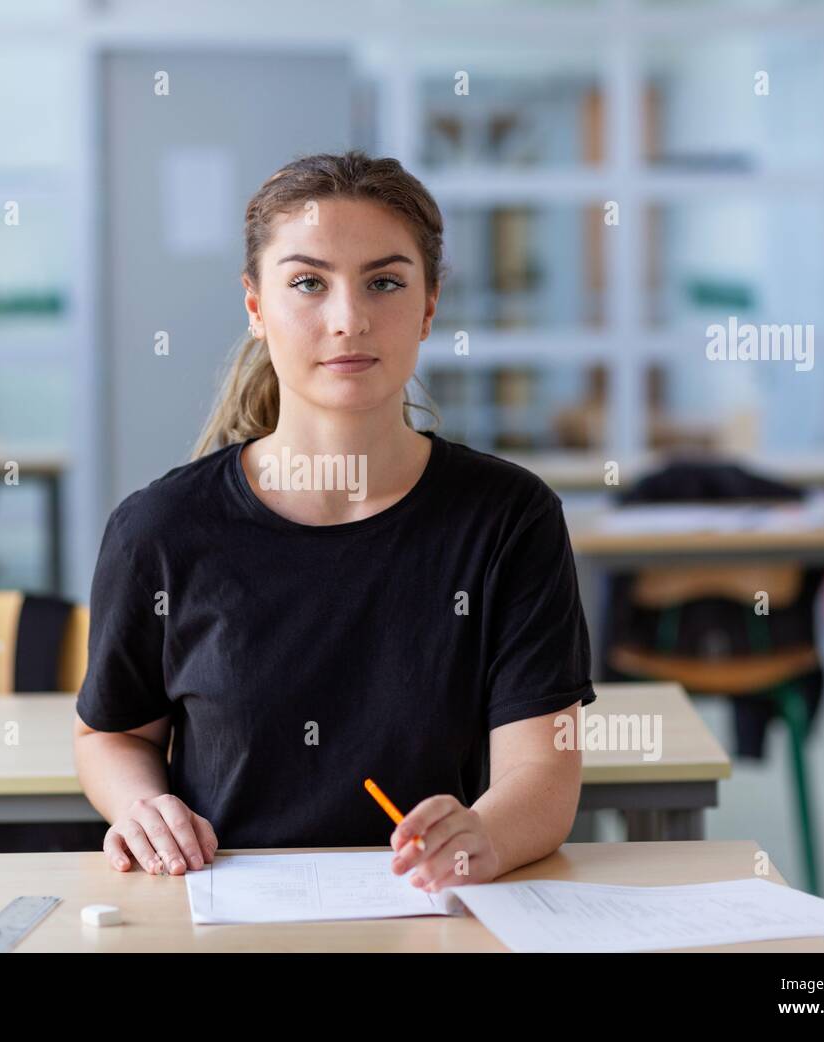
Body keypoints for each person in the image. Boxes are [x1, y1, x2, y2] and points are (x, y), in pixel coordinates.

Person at [73, 150, 595, 893]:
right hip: (219, 920)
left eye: (384, 283)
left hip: (430, 916)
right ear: (255, 306)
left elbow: (542, 771)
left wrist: (486, 835)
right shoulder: (159, 528)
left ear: (429, 306)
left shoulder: (510, 518)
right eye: (307, 283)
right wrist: (141, 804)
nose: (349, 319)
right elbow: (112, 732)